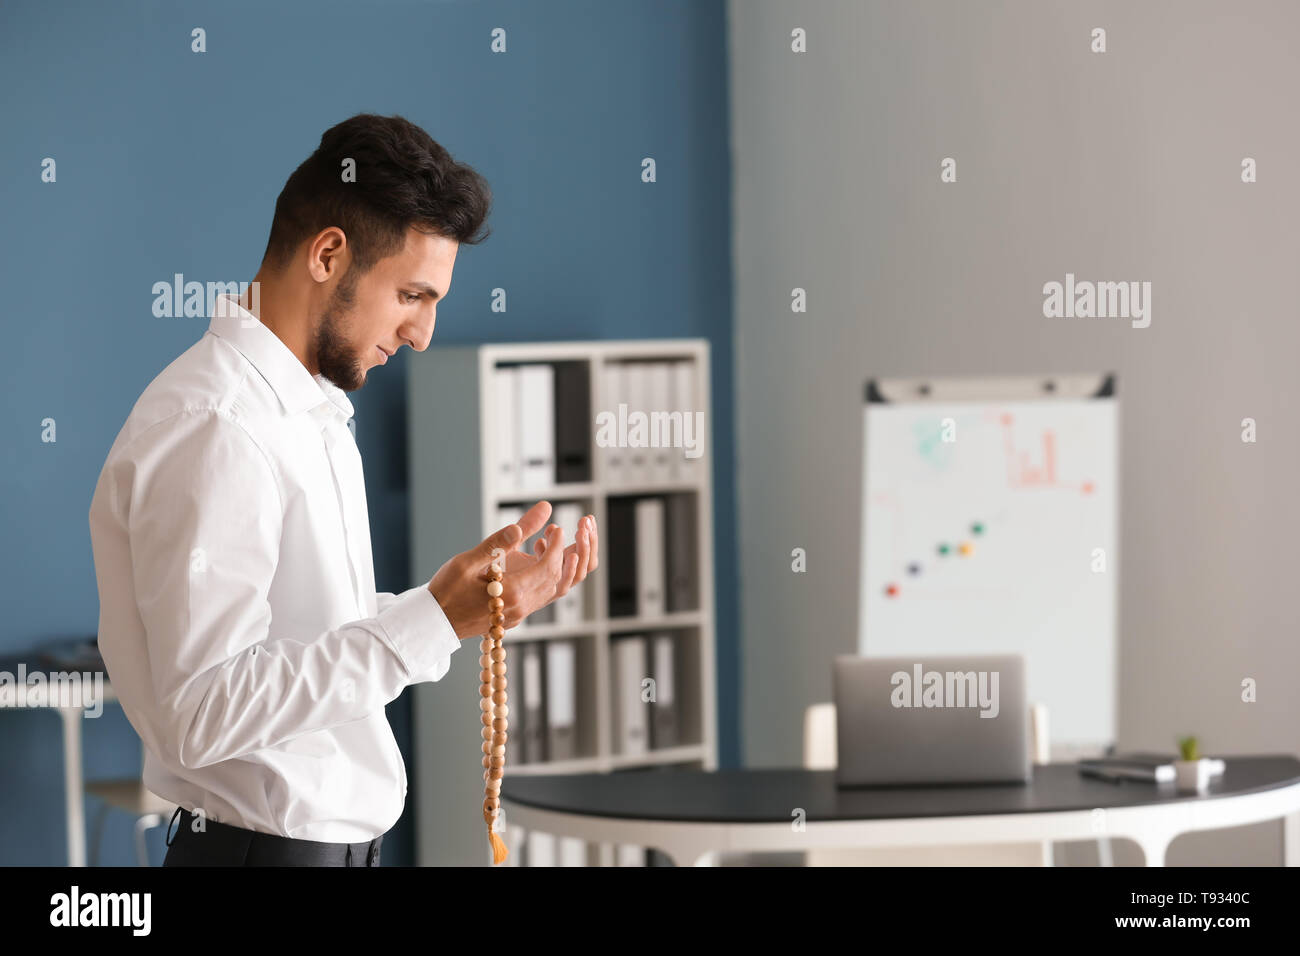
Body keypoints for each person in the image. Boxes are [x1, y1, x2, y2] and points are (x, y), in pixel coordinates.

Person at [88, 113, 599, 867]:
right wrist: (429, 620)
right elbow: (199, 711)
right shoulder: (218, 424)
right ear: (329, 253)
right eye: (412, 295)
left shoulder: (310, 410)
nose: (423, 333)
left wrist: (457, 610)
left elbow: (306, 638)